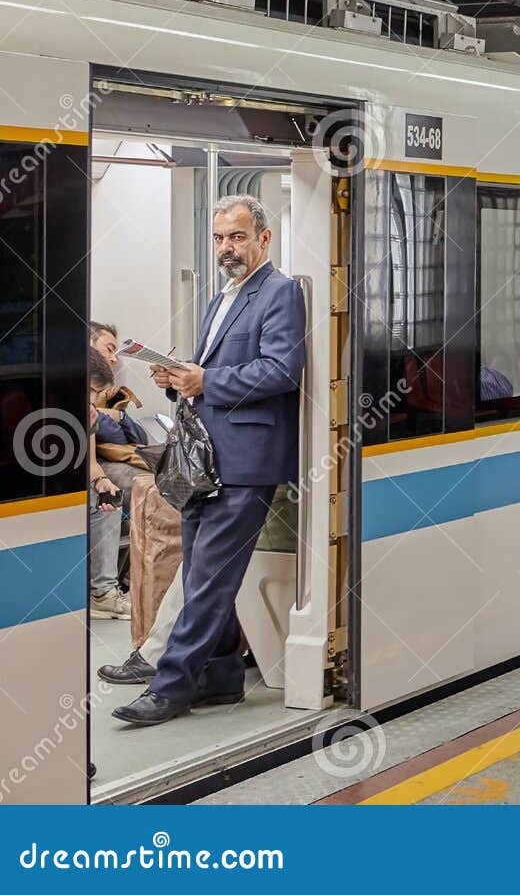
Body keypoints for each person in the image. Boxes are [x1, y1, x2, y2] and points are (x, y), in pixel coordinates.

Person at [112, 195, 305, 727]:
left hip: (247, 462)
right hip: (206, 463)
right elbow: (212, 374)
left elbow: (282, 370)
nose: (227, 248)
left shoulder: (280, 292)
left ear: (264, 239)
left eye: (238, 237)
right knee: (201, 571)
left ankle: (170, 687)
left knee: (207, 580)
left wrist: (207, 380)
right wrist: (179, 380)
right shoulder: (222, 296)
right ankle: (219, 679)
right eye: (220, 238)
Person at [87, 347, 132, 621]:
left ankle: (103, 594)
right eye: (90, 390)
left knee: (106, 500)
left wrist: (101, 480)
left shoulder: (88, 414)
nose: (92, 400)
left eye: (96, 394)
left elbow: (90, 463)